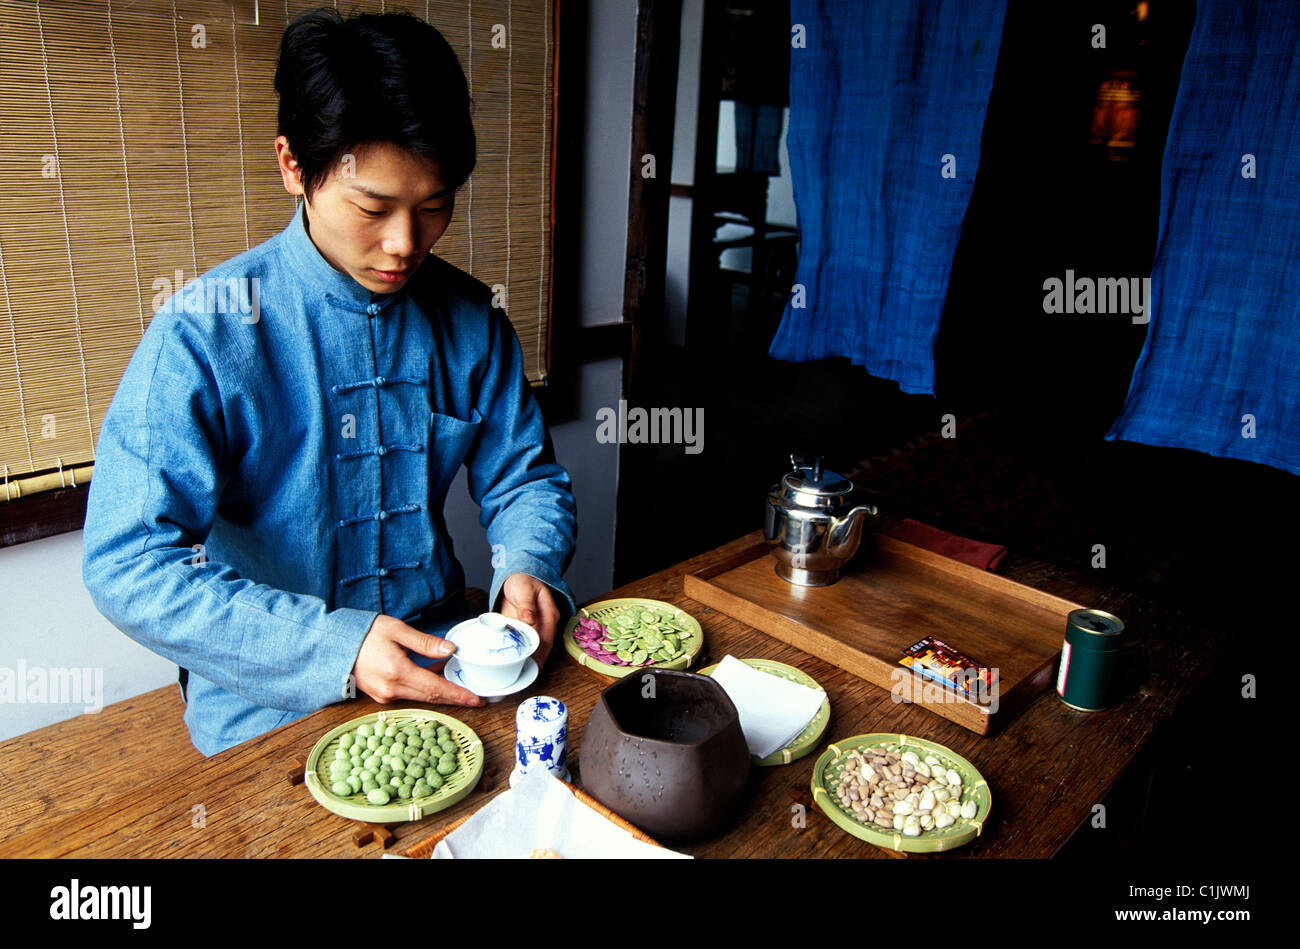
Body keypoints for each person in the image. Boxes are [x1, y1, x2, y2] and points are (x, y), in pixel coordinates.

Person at [81, 9, 577, 756]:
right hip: (267, 704)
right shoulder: (203, 331)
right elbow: (128, 563)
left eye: (434, 206)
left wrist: (528, 565)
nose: (406, 244)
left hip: (449, 663)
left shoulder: (471, 319)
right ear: (293, 165)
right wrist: (336, 646)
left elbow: (526, 479)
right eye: (373, 208)